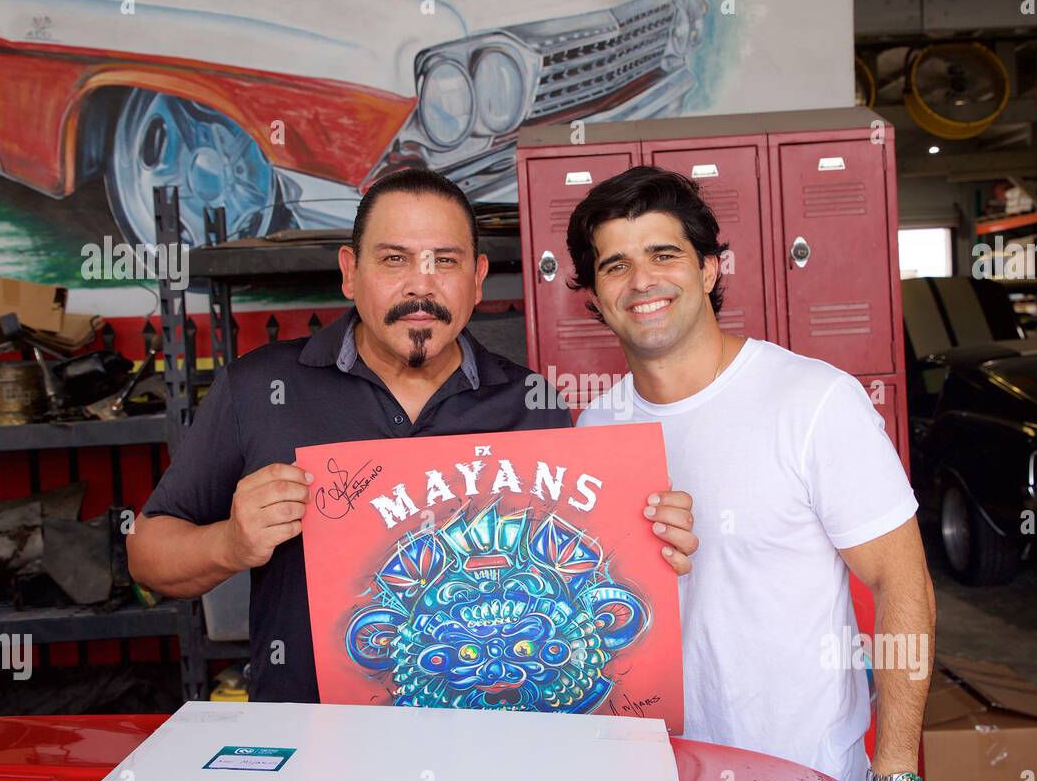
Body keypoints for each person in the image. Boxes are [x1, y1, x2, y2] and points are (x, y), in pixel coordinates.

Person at [128, 169, 698, 704]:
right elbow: (147, 555)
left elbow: (593, 563)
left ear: (476, 280)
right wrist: (229, 543)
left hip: (502, 755)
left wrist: (650, 536)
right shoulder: (258, 388)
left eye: (444, 262)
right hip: (320, 760)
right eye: (395, 259)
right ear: (350, 272)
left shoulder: (532, 403)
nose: (420, 287)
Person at [568, 166, 936, 781]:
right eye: (615, 265)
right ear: (594, 296)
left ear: (708, 270)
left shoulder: (813, 400)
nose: (642, 281)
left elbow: (900, 581)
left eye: (664, 254)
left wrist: (898, 779)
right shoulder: (596, 430)